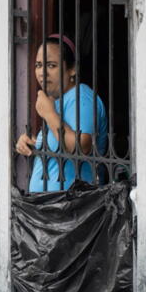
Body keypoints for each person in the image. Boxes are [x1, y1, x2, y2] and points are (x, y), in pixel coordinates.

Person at [14, 34, 108, 193]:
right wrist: (32, 144)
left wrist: (49, 114)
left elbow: (81, 148)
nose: (42, 72)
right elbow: (57, 149)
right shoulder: (57, 102)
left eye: (51, 65)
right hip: (49, 205)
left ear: (73, 69)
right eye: (38, 65)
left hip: (74, 205)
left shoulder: (82, 97)